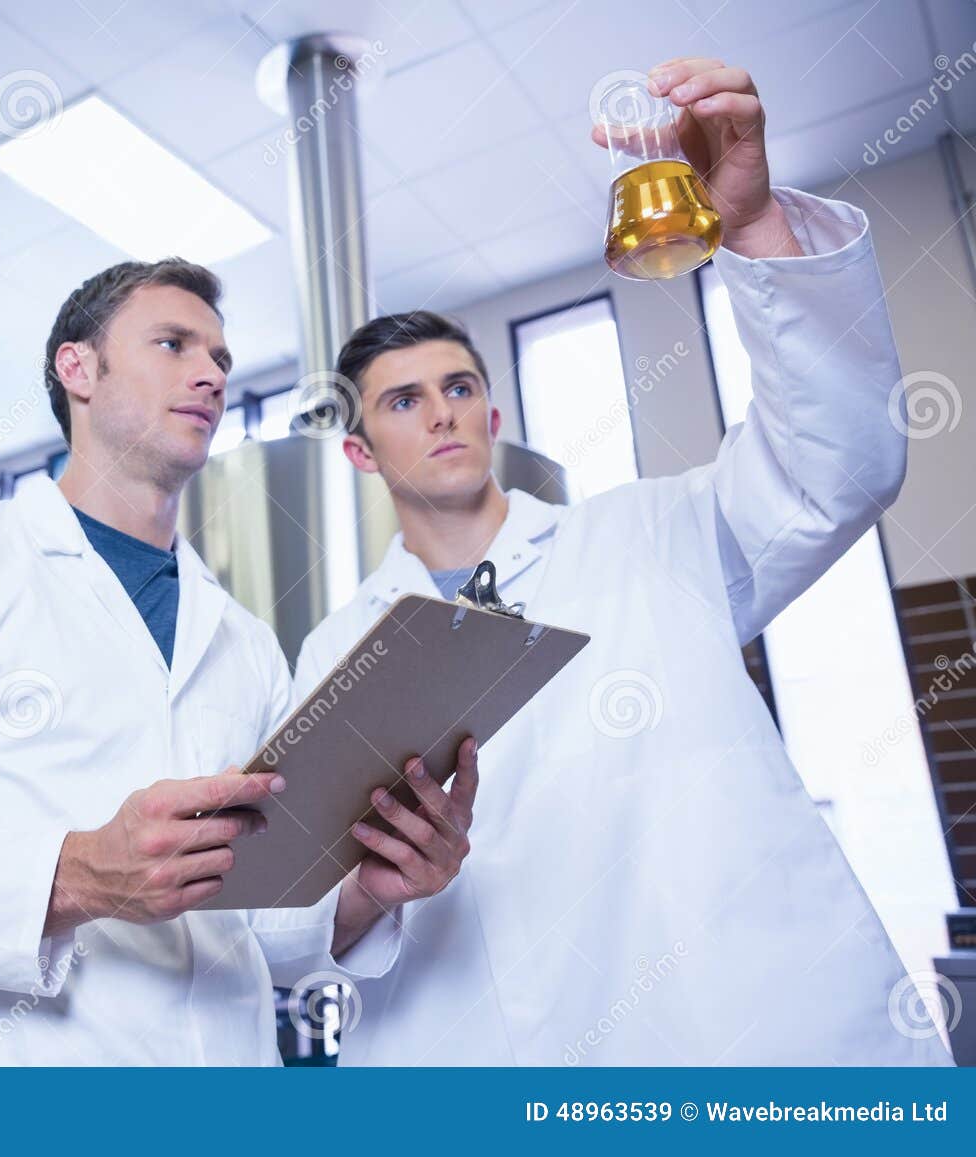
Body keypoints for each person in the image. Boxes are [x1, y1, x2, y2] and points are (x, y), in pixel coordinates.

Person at [292, 57, 954, 1065]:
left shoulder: (655, 534)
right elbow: (297, 910)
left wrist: (754, 226)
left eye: (460, 387)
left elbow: (844, 467)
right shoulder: (336, 648)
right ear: (358, 451)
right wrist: (370, 891)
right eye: (403, 400)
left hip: (721, 1038)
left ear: (493, 415)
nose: (442, 413)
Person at [0, 259, 477, 1065]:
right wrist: (76, 875)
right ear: (78, 368)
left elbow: (263, 926)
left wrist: (371, 891)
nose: (211, 375)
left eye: (220, 359)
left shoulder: (242, 640)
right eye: (173, 344)